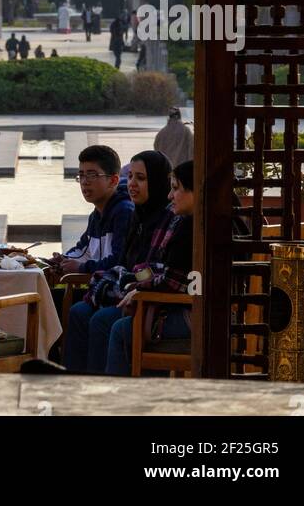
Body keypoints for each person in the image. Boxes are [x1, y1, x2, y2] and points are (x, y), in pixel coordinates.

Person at [63, 150, 171, 374]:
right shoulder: (137, 216)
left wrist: (131, 282)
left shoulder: (164, 220)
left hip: (149, 301)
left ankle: (99, 392)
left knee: (101, 320)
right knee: (79, 312)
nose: (132, 184)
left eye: (140, 178)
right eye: (130, 176)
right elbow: (122, 262)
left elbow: (155, 272)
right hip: (124, 291)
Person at [105, 161, 194, 375]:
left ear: (196, 190)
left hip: (193, 316)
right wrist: (134, 282)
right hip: (183, 307)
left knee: (119, 328)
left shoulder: (191, 228)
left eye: (176, 188)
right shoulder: (180, 221)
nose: (169, 196)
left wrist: (138, 289)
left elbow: (175, 280)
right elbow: (159, 269)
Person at [46, 146, 134, 283]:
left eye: (92, 175)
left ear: (113, 181)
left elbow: (120, 261)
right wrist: (63, 259)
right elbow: (83, 250)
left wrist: (82, 268)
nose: (84, 182)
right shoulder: (96, 214)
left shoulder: (124, 212)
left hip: (115, 292)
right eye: (81, 175)